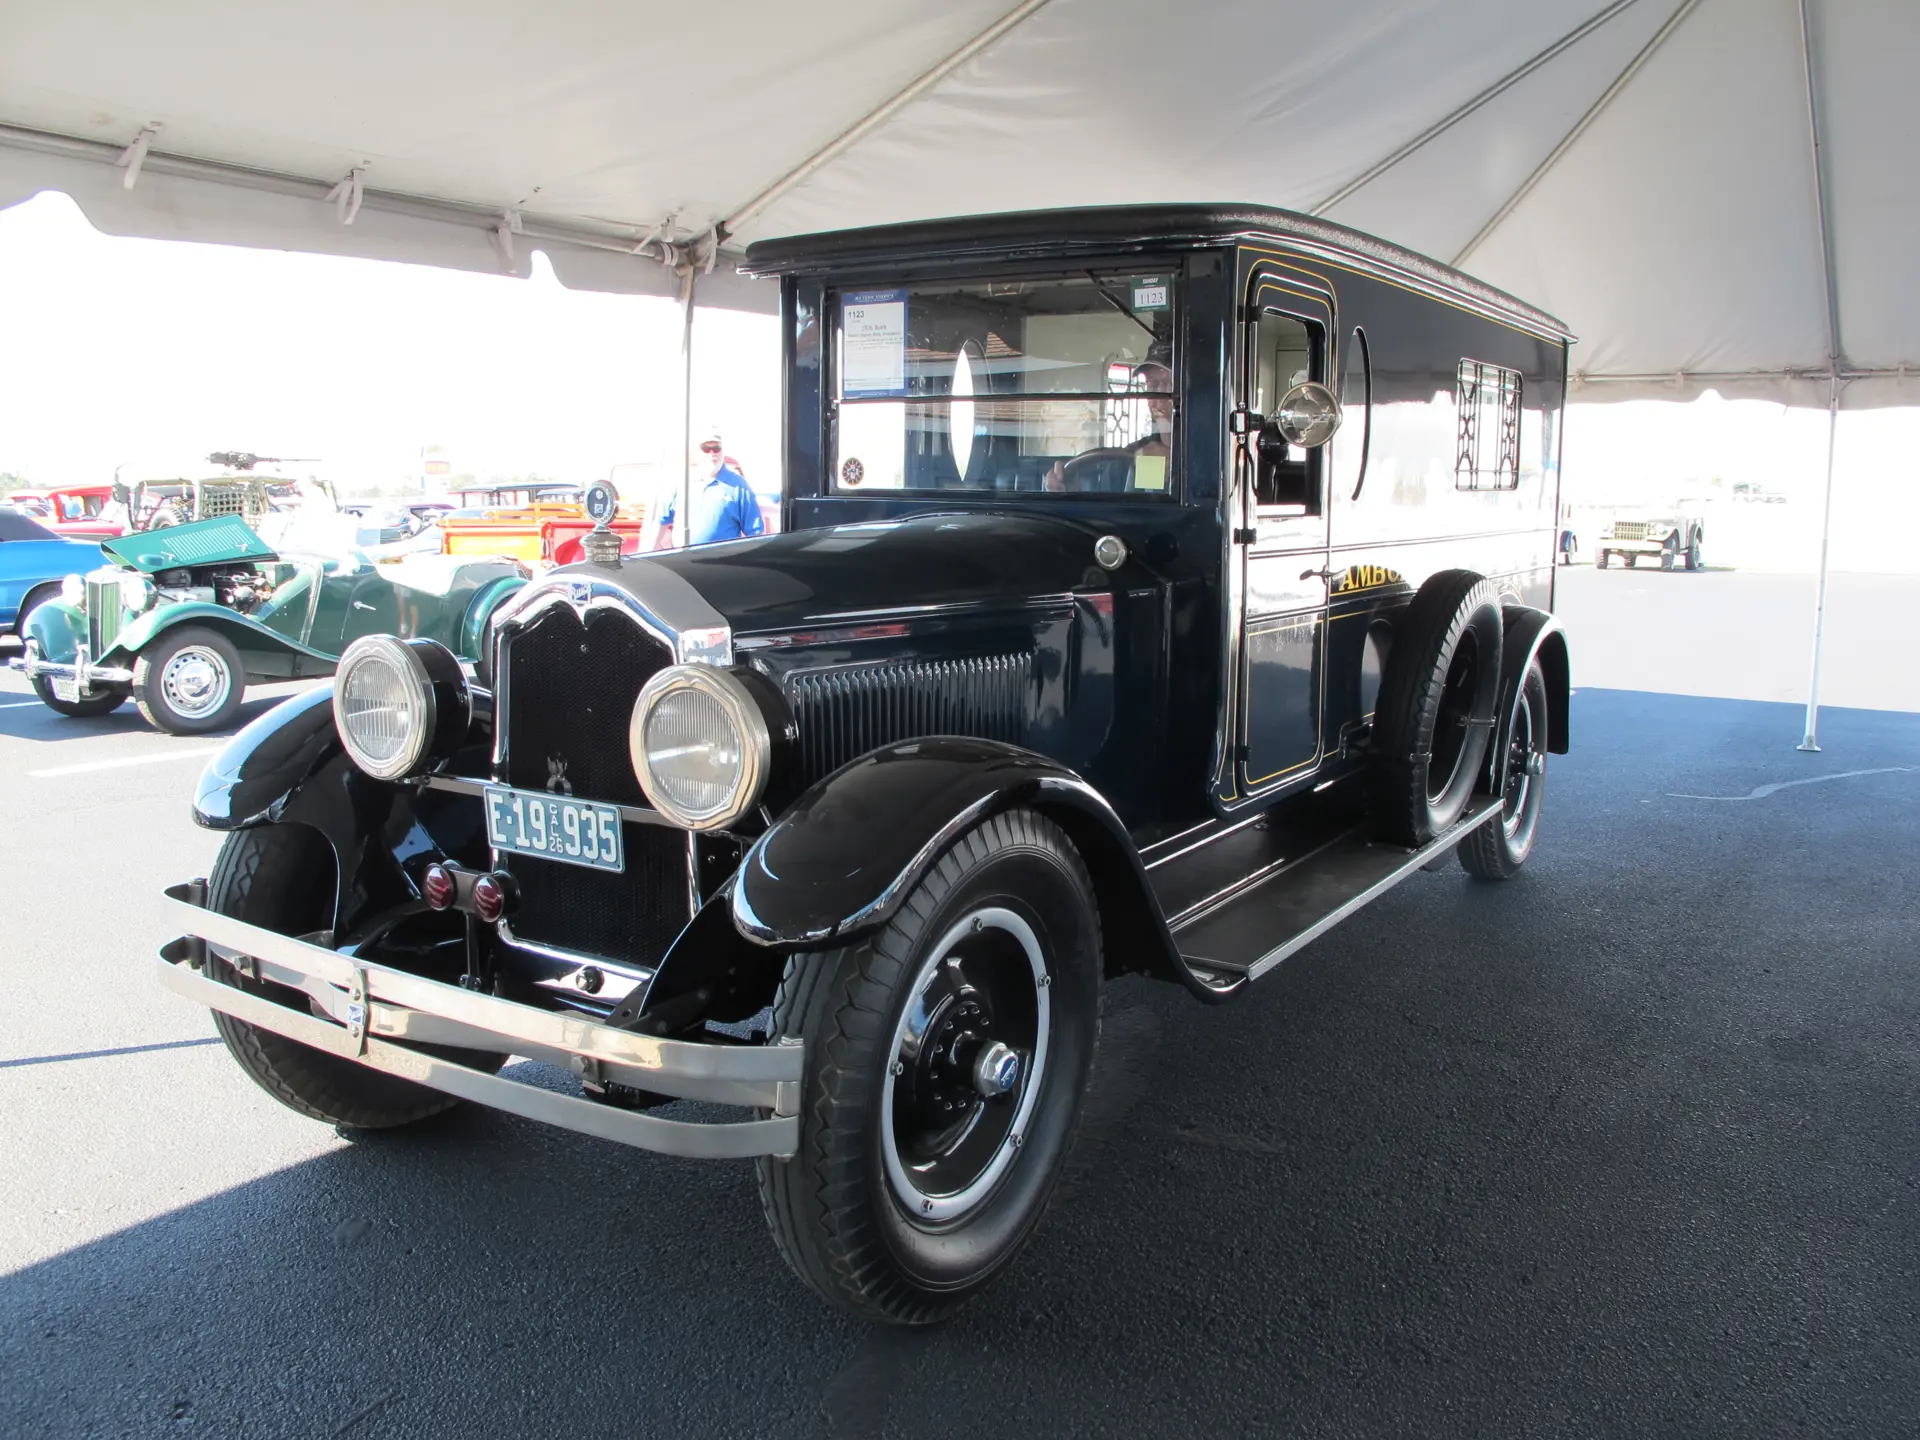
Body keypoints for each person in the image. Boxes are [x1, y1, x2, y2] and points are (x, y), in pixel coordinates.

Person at [1043, 351, 1173, 494]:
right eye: (1152, 385)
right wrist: (1069, 492)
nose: (1160, 397)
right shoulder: (1125, 460)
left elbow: (1154, 511)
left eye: (1171, 385)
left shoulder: (1199, 465)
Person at [654, 430, 766, 547]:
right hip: (684, 561)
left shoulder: (739, 486)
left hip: (723, 562)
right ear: (697, 452)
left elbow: (755, 533)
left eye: (717, 448)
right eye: (706, 448)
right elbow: (661, 521)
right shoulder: (680, 482)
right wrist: (647, 559)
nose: (712, 453)